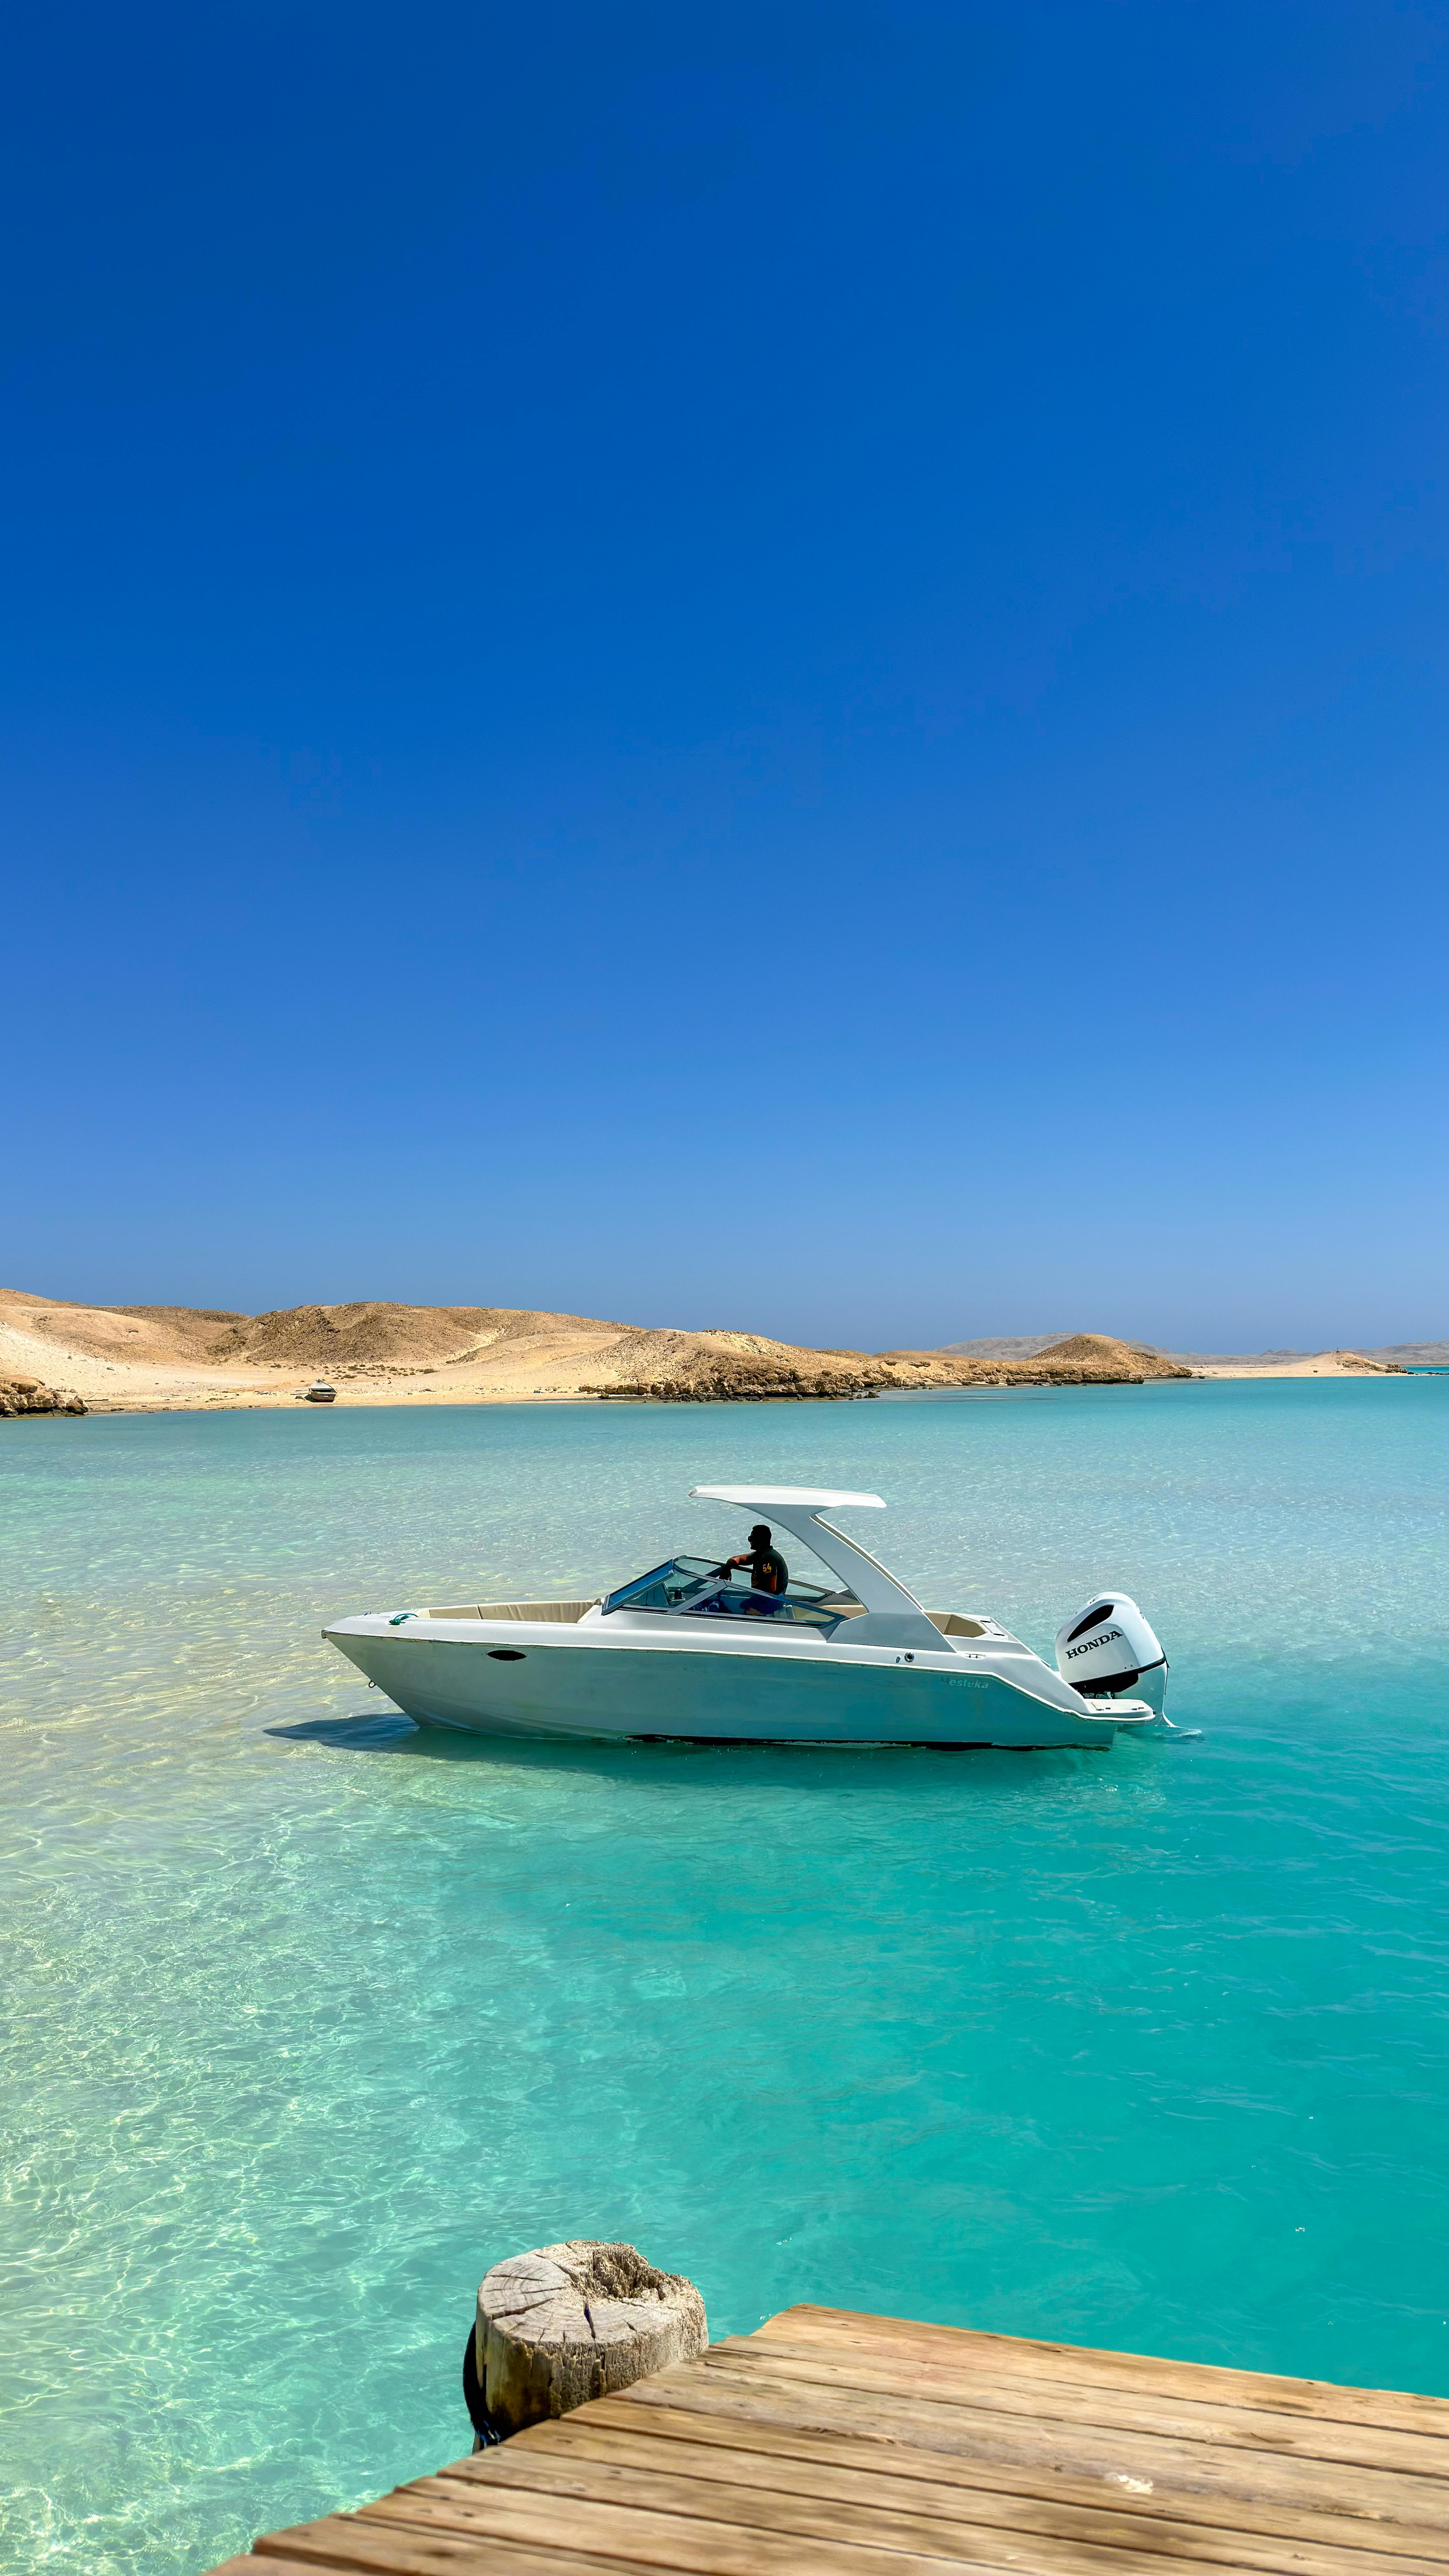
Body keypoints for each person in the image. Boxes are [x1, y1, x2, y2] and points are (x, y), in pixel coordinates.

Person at [722, 1523, 788, 1597]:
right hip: (763, 1598)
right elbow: (738, 1559)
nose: (749, 1541)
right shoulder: (760, 1554)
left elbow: (770, 1590)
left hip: (771, 1601)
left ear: (760, 1540)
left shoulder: (769, 1559)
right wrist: (727, 1567)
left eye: (751, 1538)